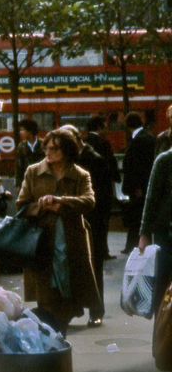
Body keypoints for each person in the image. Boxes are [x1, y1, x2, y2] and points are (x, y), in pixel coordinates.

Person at [16, 126, 100, 335]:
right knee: (46, 294)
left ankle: (57, 338)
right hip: (41, 242)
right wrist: (42, 206)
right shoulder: (34, 172)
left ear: (67, 151)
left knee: (69, 293)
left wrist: (61, 202)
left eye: (54, 148)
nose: (48, 152)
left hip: (72, 242)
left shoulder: (80, 175)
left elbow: (89, 201)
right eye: (47, 148)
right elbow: (22, 205)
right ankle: (52, 340)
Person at [62, 124, 107, 326]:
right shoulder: (66, 162)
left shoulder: (94, 160)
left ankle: (96, 310)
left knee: (94, 267)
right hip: (73, 222)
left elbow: (104, 197)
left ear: (77, 139)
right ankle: (75, 309)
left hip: (92, 222)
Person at [139, 147, 172, 318]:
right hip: (166, 235)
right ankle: (161, 335)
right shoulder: (164, 160)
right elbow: (151, 199)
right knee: (163, 285)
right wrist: (144, 233)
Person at [83, 115, 119, 260]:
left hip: (86, 189)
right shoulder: (103, 143)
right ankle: (102, 251)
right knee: (102, 223)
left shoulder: (83, 142)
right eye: (104, 126)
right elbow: (110, 165)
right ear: (99, 128)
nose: (106, 129)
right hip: (102, 190)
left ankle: (89, 249)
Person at [122, 112, 156, 254]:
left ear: (127, 125)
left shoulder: (139, 140)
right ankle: (132, 244)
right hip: (143, 185)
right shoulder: (147, 137)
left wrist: (137, 186)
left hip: (139, 187)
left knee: (137, 216)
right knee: (139, 216)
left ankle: (134, 245)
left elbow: (138, 166)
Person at [16, 118, 45, 187]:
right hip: (27, 180)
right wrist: (18, 184)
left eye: (22, 130)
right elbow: (19, 166)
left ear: (29, 131)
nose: (20, 132)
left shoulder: (43, 144)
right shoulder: (21, 146)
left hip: (42, 180)